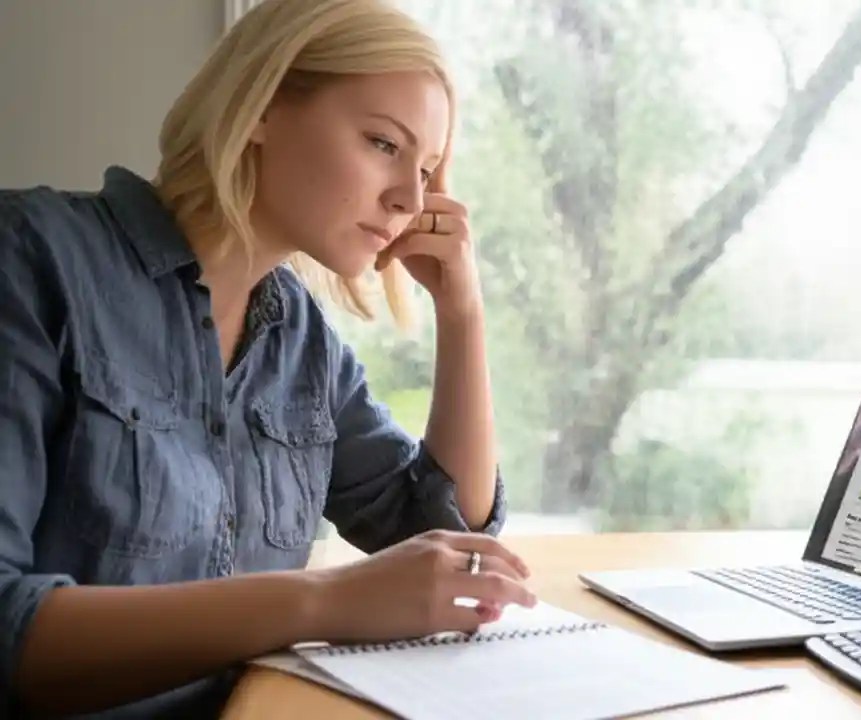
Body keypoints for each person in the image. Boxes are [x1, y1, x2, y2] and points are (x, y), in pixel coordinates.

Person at [0, 0, 538, 716]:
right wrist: (321, 601)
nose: (410, 198)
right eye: (383, 143)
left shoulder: (301, 341)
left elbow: (445, 544)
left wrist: (462, 315)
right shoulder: (32, 258)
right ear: (261, 107)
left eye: (428, 168)